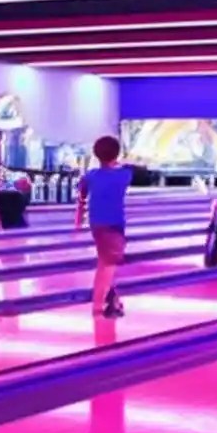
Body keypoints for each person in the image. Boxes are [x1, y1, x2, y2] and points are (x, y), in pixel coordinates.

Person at [76, 136, 134, 318]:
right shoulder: (124, 175)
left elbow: (81, 195)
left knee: (105, 262)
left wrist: (78, 219)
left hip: (96, 224)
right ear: (117, 154)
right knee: (107, 266)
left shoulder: (91, 175)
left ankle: (111, 298)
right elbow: (131, 167)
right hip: (114, 224)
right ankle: (98, 306)